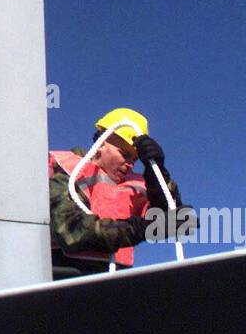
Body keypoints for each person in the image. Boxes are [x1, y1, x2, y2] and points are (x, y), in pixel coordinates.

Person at [48, 107, 190, 279]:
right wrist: (140, 228)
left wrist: (158, 173)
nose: (130, 164)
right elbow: (71, 230)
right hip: (62, 277)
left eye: (134, 159)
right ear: (101, 143)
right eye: (124, 154)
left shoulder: (137, 186)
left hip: (115, 281)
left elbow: (176, 220)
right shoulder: (66, 170)